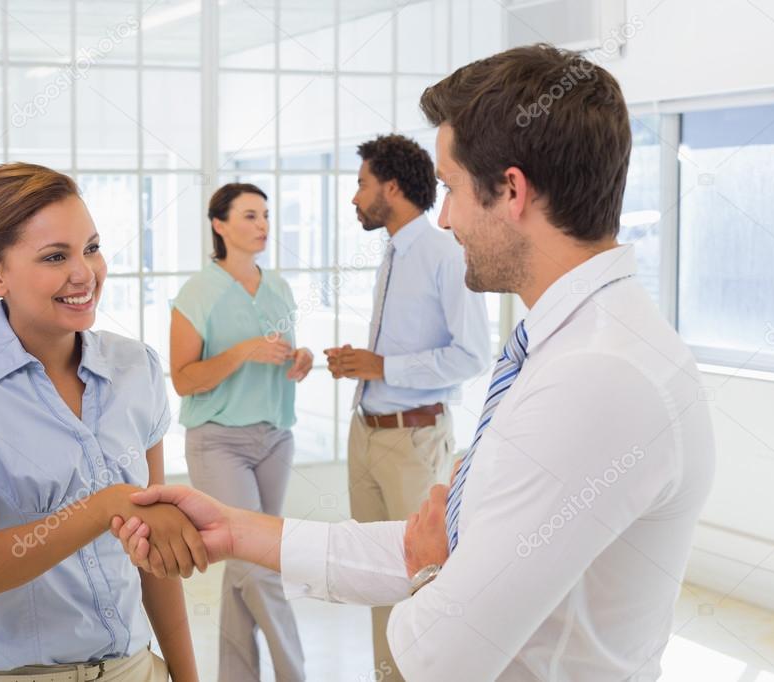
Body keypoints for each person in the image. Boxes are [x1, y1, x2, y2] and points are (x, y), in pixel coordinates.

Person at [110, 44, 717, 682]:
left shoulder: (597, 378)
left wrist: (431, 572)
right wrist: (235, 531)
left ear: (512, 191)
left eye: (452, 188)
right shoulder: (573, 347)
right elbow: (417, 549)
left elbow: (435, 654)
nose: (446, 217)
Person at [0, 163, 206, 682]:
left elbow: (151, 555)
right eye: (54, 257)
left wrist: (186, 677)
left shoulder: (136, 368)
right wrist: (108, 503)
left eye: (91, 247)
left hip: (132, 668)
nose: (84, 272)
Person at [324, 133, 491, 678]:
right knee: (376, 576)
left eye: (362, 185)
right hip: (367, 431)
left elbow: (470, 356)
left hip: (414, 442)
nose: (355, 198)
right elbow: (401, 350)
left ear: (391, 188)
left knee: (422, 580)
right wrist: (362, 365)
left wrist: (383, 368)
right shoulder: (393, 252)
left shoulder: (444, 251)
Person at [168, 183, 312, 682]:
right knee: (261, 563)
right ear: (220, 224)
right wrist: (243, 351)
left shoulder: (280, 289)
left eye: (266, 215)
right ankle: (296, 673)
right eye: (250, 215)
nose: (263, 225)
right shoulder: (197, 292)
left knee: (243, 563)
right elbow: (184, 378)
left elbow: (282, 356)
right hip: (218, 442)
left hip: (275, 438)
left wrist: (300, 359)